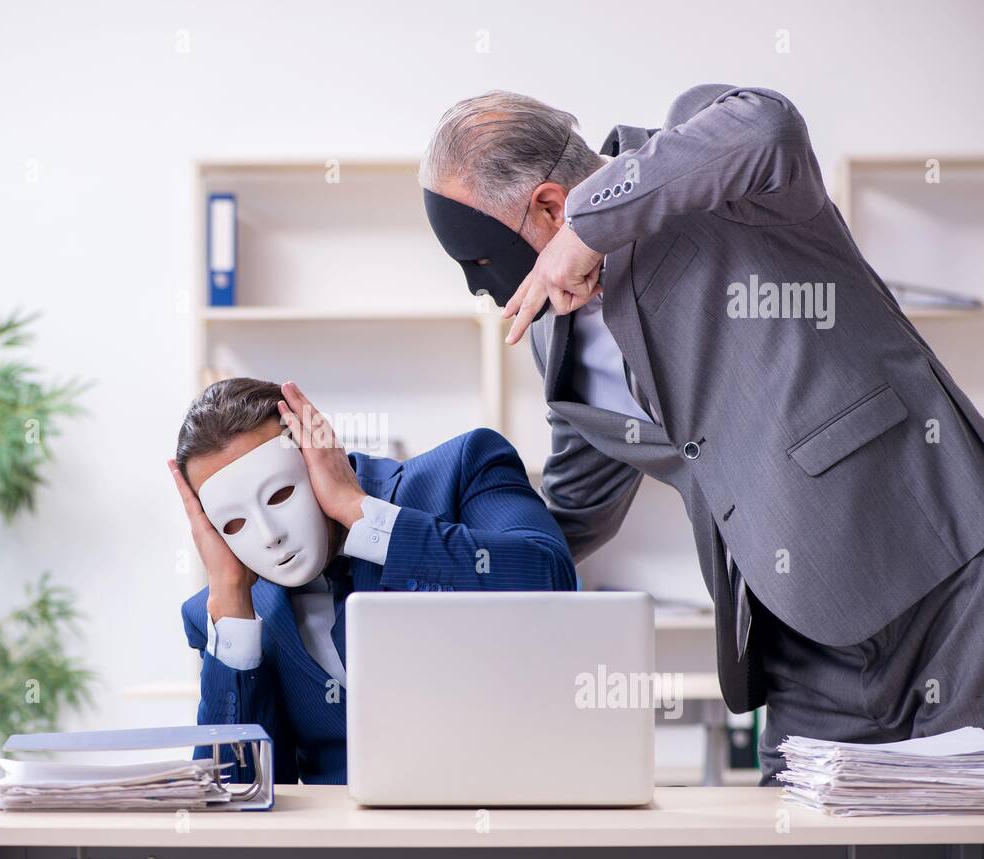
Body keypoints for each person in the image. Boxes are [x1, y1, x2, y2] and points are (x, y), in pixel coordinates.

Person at [420, 85, 984, 782]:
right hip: (799, 639)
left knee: (959, 832)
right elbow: (570, 514)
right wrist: (423, 546)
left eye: (486, 261)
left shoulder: (712, 168)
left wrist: (588, 230)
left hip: (944, 571)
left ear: (548, 206)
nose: (494, 289)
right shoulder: (554, 346)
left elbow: (769, 126)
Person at [168, 377, 575, 784]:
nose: (269, 534)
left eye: (278, 495)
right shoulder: (226, 611)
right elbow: (234, 794)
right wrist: (233, 605)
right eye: (234, 523)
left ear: (316, 452)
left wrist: (358, 510)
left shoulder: (463, 469)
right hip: (343, 844)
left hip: (508, 817)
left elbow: (551, 579)